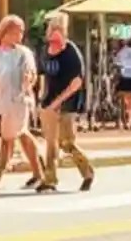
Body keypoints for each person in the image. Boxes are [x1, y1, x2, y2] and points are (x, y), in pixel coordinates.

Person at [0, 14, 41, 192]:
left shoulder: (23, 53)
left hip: (19, 100)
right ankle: (39, 172)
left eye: (21, 32)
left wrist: (28, 80)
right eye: (16, 31)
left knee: (8, 138)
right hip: (3, 101)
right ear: (5, 32)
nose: (19, 35)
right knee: (21, 135)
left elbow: (31, 74)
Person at [37, 12, 94, 193]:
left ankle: (87, 171)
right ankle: (50, 179)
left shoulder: (71, 52)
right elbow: (43, 75)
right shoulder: (45, 51)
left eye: (58, 29)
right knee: (50, 143)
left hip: (68, 102)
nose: (54, 33)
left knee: (66, 142)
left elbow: (76, 83)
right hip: (49, 100)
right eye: (52, 29)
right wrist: (42, 100)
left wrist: (58, 102)